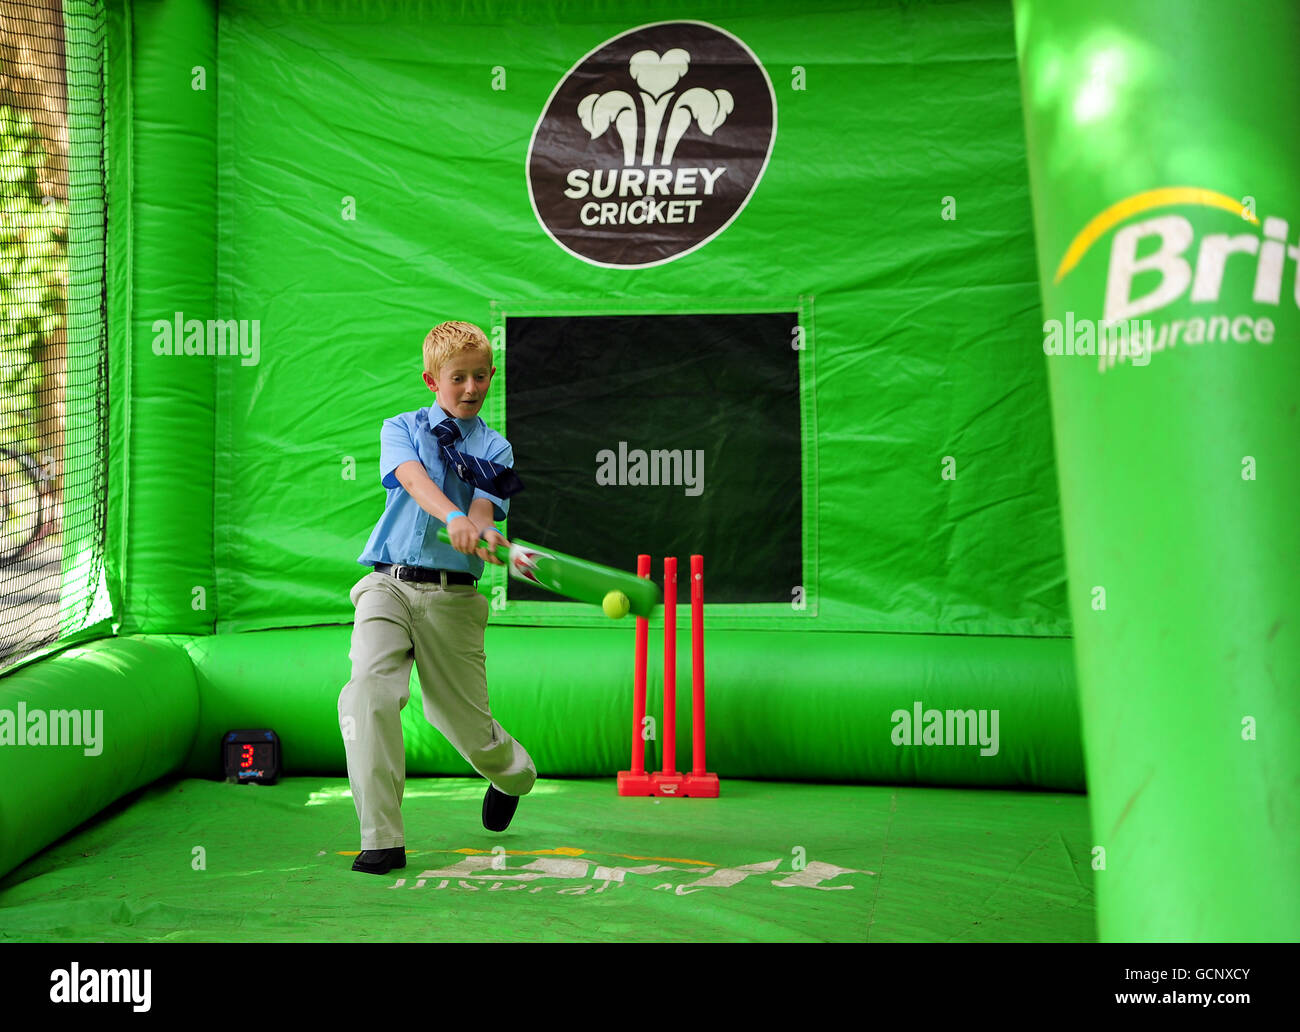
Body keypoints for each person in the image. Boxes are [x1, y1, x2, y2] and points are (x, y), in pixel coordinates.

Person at [338, 320, 536, 875]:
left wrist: (481, 527)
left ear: (491, 375)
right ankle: (382, 839)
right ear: (432, 380)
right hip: (388, 584)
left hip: (454, 600)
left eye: (480, 377)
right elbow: (411, 478)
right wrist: (451, 515)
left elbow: (483, 507)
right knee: (365, 694)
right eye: (457, 379)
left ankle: (513, 775)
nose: (470, 388)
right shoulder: (400, 427)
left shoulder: (497, 447)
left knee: (467, 729)